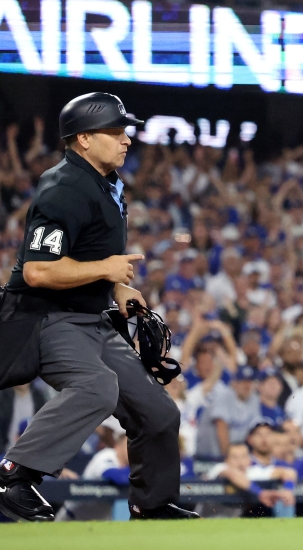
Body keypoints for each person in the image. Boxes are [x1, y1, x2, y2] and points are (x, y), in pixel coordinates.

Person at [0, 93, 195, 522]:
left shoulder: (104, 181)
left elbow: (83, 254)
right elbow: (38, 271)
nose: (126, 139)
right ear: (84, 138)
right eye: (115, 131)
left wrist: (115, 285)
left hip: (89, 317)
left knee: (157, 411)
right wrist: (106, 268)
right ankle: (14, 476)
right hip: (47, 317)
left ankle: (153, 504)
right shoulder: (64, 187)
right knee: (96, 387)